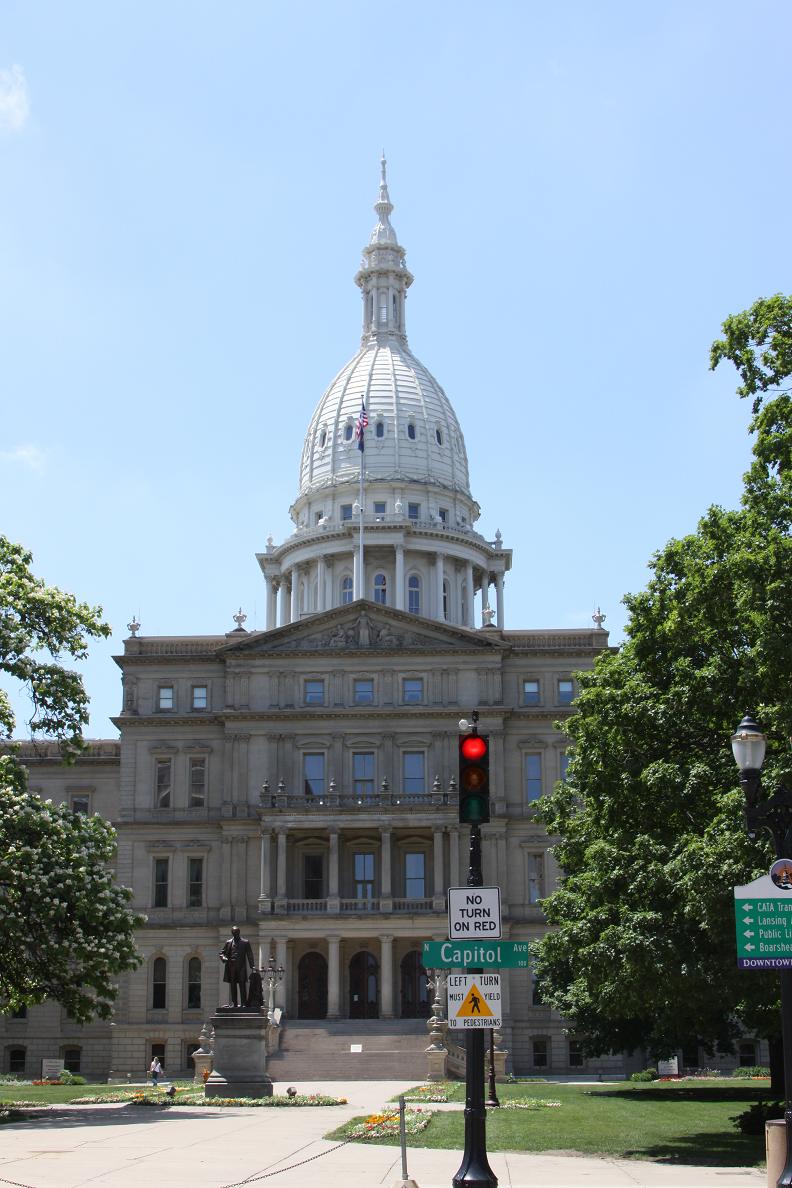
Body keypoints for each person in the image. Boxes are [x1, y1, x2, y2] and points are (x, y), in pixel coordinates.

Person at [219, 925, 255, 1007]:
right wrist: (224, 958)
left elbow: (249, 955)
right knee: (233, 985)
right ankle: (234, 1003)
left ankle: (243, 1003)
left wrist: (252, 965)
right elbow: (221, 953)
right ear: (232, 933)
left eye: (237, 932)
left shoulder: (245, 942)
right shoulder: (228, 942)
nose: (235, 933)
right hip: (231, 967)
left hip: (241, 967)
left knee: (242, 985)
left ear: (239, 932)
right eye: (234, 932)